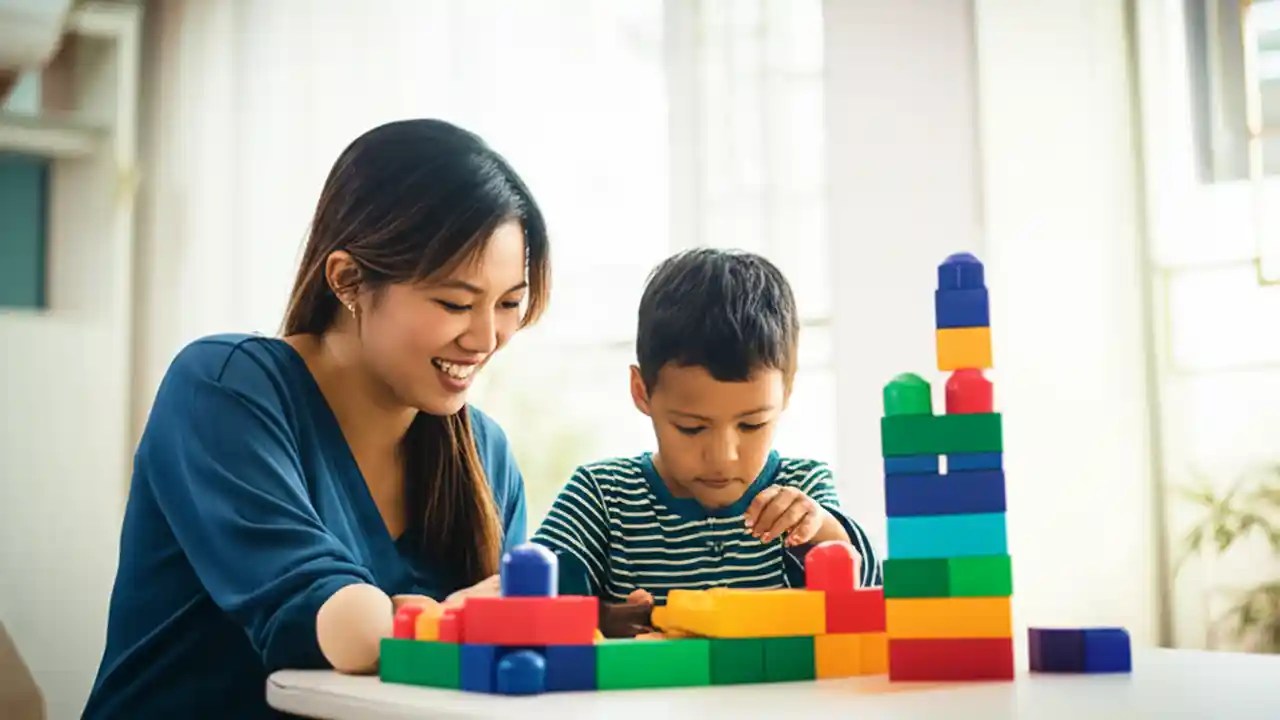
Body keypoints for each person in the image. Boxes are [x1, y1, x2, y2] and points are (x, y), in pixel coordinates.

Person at [82, 119, 550, 718]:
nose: (487, 337)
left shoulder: (486, 456)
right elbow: (332, 623)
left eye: (510, 302)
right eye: (454, 303)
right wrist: (451, 617)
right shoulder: (223, 389)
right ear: (349, 280)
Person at [532, 248, 881, 622]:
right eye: (692, 427)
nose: (722, 457)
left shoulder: (802, 494)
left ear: (786, 394)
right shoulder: (602, 497)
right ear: (642, 392)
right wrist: (606, 619)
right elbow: (531, 600)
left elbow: (864, 605)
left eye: (751, 425)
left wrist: (824, 532)